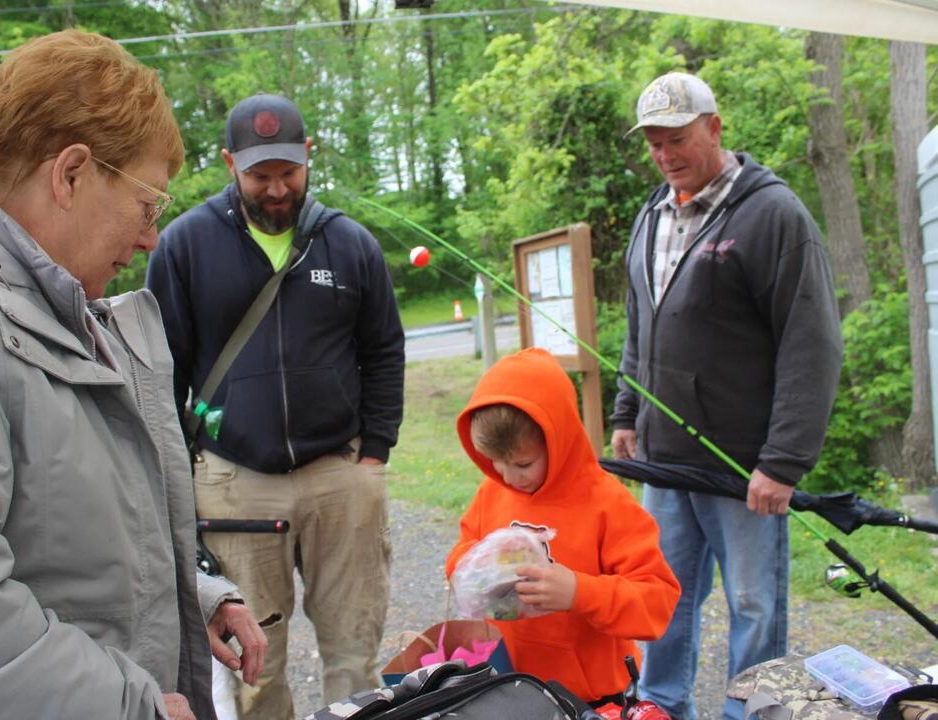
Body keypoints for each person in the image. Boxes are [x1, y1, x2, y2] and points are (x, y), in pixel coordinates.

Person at [0, 30, 267, 720]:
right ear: (71, 174)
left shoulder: (54, 313)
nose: (150, 239)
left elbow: (60, 547)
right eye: (147, 206)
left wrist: (190, 598)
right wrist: (126, 700)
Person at [146, 93, 405, 718]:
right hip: (237, 482)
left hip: (339, 476)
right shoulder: (183, 247)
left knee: (354, 655)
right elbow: (161, 370)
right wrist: (182, 472)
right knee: (257, 670)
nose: (276, 188)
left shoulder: (349, 244)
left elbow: (385, 349)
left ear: (308, 156)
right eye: (259, 175)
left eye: (288, 172)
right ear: (230, 162)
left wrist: (373, 454)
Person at [611, 72, 843, 720]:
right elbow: (640, 324)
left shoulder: (773, 214)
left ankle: (752, 712)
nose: (665, 155)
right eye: (654, 143)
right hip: (664, 461)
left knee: (753, 602)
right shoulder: (651, 214)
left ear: (714, 127)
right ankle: (661, 704)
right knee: (663, 591)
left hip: (745, 468)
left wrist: (783, 461)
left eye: (677, 138)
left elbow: (812, 343)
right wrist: (628, 413)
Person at [444, 347, 681, 704]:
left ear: (560, 440)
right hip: (506, 687)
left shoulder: (607, 504)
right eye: (495, 462)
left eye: (523, 463)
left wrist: (579, 593)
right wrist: (475, 568)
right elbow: (461, 556)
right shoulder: (492, 492)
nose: (507, 476)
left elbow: (656, 602)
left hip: (590, 697)